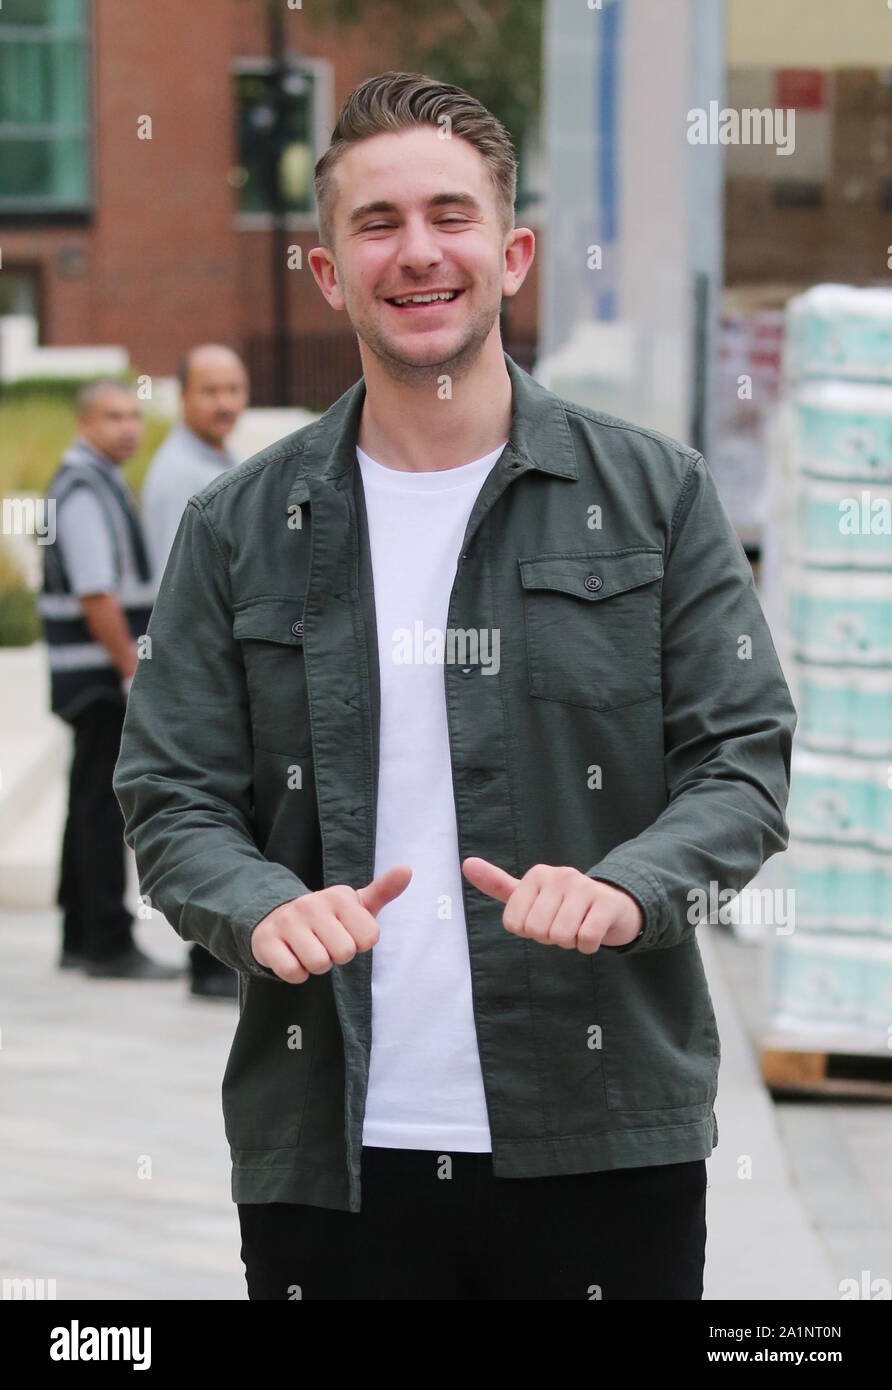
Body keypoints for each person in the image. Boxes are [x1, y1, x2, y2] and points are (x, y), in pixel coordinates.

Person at [114, 71, 797, 1299]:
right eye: (376, 225)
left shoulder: (655, 494)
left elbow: (741, 761)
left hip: (600, 1140)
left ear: (512, 251)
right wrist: (261, 904)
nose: (417, 252)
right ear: (328, 272)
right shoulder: (235, 527)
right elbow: (168, 794)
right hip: (328, 1154)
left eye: (450, 215)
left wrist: (629, 888)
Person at [39, 380, 182, 980]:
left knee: (89, 801)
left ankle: (80, 932)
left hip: (90, 674)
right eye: (113, 417)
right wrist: (131, 670)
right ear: (85, 423)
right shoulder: (83, 490)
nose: (128, 428)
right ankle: (105, 942)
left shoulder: (94, 481)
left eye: (134, 416)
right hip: (97, 676)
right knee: (105, 808)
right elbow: (96, 592)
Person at [140, 344, 249, 999]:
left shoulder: (217, 463)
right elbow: (173, 590)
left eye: (234, 389)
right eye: (210, 390)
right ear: (182, 397)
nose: (225, 403)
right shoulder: (184, 473)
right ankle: (212, 962)